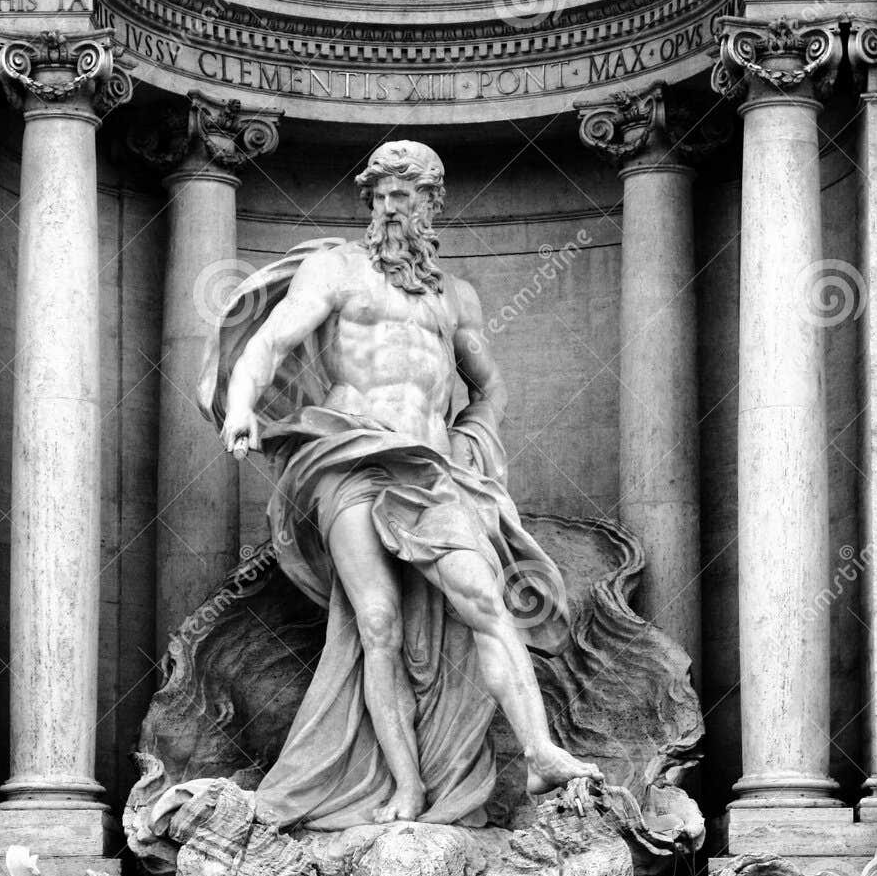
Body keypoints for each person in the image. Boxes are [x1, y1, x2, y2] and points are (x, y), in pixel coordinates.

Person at [199, 138, 601, 829]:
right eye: (379, 195)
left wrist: (475, 439)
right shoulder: (337, 269)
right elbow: (270, 342)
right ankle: (408, 789)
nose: (389, 208)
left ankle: (539, 753)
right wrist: (239, 407)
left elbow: (490, 386)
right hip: (350, 459)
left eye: (403, 196)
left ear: (430, 205)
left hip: (432, 470)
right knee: (376, 623)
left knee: (486, 601)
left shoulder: (456, 298)